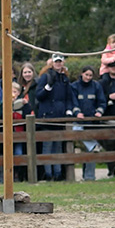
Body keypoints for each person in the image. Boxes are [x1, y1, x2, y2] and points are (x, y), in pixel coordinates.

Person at [36, 53, 74, 181]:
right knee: (47, 146)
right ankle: (48, 174)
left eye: (60, 62)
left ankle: (57, 173)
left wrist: (68, 110)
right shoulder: (45, 77)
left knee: (57, 146)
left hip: (60, 117)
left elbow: (68, 97)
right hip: (47, 117)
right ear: (52, 63)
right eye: (56, 61)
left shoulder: (64, 79)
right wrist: (48, 87)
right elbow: (39, 96)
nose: (58, 64)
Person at [70, 66, 105, 181]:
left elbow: (101, 101)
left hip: (92, 121)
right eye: (86, 75)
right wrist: (77, 112)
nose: (88, 77)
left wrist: (99, 111)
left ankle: (89, 176)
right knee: (86, 144)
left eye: (90, 75)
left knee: (90, 151)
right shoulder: (74, 86)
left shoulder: (96, 86)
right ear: (82, 74)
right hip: (79, 121)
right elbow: (73, 101)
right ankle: (94, 145)